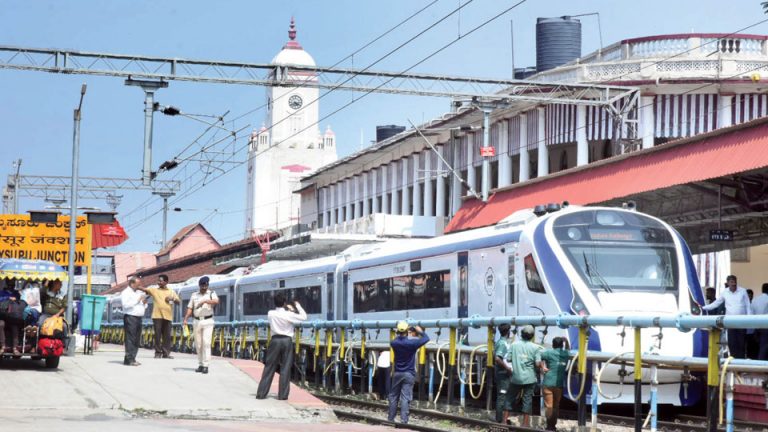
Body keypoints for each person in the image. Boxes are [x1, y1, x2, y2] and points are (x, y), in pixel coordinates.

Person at [256, 293, 307, 400]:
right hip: (286, 341)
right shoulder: (288, 314)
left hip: (275, 340)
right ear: (284, 303)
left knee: (269, 367)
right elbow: (304, 317)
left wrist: (287, 309)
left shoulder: (270, 313)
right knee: (285, 368)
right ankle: (282, 395)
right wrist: (297, 306)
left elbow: (278, 312)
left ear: (274, 302)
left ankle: (261, 393)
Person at [388, 321, 429, 424]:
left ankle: (391, 418)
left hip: (397, 373)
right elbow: (426, 338)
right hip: (409, 374)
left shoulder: (394, 343)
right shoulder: (412, 343)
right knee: (405, 398)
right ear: (407, 331)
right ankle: (404, 420)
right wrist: (420, 331)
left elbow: (398, 339)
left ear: (398, 331)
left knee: (393, 396)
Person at [702, 275, 752, 358]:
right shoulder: (725, 292)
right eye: (731, 282)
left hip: (741, 322)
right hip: (730, 322)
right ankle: (733, 362)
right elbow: (716, 304)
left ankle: (741, 363)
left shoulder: (743, 291)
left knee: (741, 343)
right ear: (728, 283)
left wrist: (749, 319)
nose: (734, 283)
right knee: (732, 344)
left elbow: (748, 306)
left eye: (735, 281)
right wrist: (703, 307)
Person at [508, 325, 544, 427]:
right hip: (529, 378)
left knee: (509, 398)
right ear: (532, 336)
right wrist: (541, 365)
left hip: (516, 377)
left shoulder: (514, 345)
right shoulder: (535, 347)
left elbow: (508, 359)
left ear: (522, 334)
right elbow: (537, 364)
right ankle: (525, 424)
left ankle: (503, 421)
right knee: (527, 400)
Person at [183, 276, 218, 374]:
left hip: (208, 321)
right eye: (202, 285)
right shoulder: (194, 295)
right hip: (196, 321)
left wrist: (205, 301)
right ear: (199, 285)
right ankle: (200, 364)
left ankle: (206, 365)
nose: (204, 287)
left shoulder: (211, 293)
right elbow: (190, 308)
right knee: (198, 344)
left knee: (206, 343)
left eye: (206, 285)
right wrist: (185, 319)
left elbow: (216, 301)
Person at [539, 337, 571, 431]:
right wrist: (566, 341)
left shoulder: (549, 353)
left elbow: (538, 356)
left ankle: (549, 426)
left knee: (549, 406)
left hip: (548, 382)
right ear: (562, 345)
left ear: (553, 345)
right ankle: (553, 426)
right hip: (559, 385)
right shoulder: (565, 354)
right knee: (556, 406)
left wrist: (542, 367)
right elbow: (568, 349)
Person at [145, 274, 180, 359]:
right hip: (157, 316)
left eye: (160, 281)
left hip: (168, 316)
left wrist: (172, 299)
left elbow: (178, 302)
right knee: (157, 335)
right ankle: (157, 353)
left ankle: (166, 353)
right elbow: (144, 289)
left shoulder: (171, 291)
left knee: (167, 336)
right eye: (158, 281)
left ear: (166, 282)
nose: (158, 282)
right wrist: (135, 286)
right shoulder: (154, 290)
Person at [120, 276, 147, 366]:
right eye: (138, 284)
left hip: (138, 317)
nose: (139, 286)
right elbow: (125, 305)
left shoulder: (138, 293)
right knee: (130, 338)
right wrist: (137, 300)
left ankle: (133, 358)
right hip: (130, 317)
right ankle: (129, 359)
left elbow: (142, 306)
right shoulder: (126, 292)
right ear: (132, 284)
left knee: (136, 339)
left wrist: (144, 303)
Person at [494, 324, 513, 424]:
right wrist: (507, 368)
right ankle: (500, 420)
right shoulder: (502, 343)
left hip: (504, 374)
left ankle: (502, 419)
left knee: (504, 396)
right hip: (503, 374)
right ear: (508, 332)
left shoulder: (503, 342)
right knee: (502, 396)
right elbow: (498, 358)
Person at [751, 283, 768, 360]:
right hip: (766, 326)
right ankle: (762, 364)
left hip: (756, 326)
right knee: (764, 347)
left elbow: (751, 313)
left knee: (759, 347)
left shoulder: (755, 299)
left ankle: (758, 363)